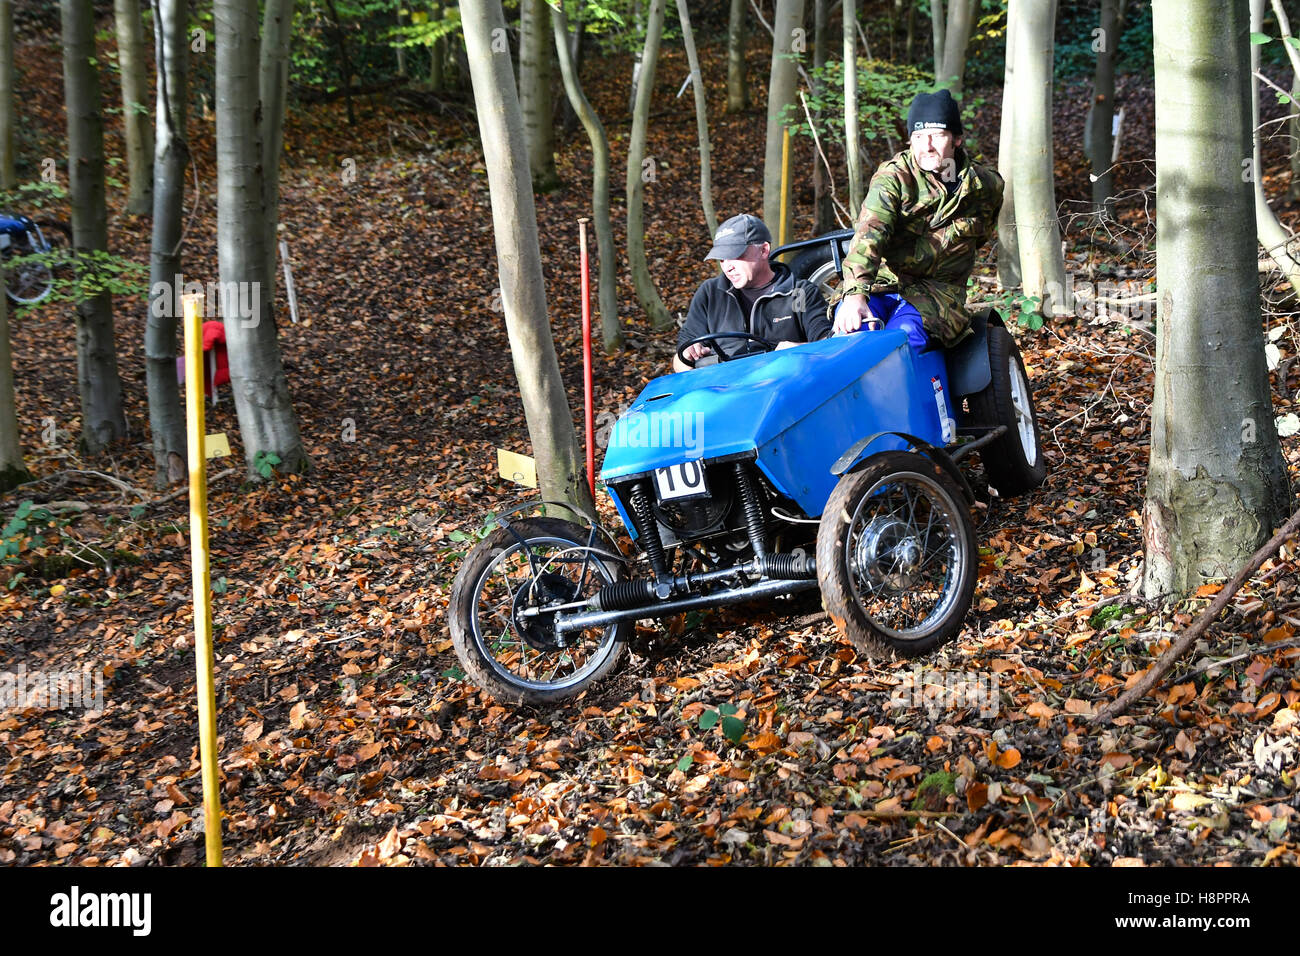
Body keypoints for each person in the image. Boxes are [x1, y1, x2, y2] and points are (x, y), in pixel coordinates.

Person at [832, 89, 1004, 350]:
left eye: (937, 135)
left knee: (901, 341)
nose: (927, 146)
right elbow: (870, 235)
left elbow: (981, 236)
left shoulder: (985, 186)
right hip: (881, 283)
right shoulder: (894, 178)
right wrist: (855, 294)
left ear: (957, 139)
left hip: (939, 294)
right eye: (918, 136)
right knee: (853, 336)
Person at [674, 214, 831, 373]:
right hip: (721, 388)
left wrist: (797, 350)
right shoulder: (710, 293)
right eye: (722, 259)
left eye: (734, 255)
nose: (728, 267)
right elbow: (680, 358)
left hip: (783, 386)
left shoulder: (801, 293)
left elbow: (829, 346)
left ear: (764, 250)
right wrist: (689, 356)